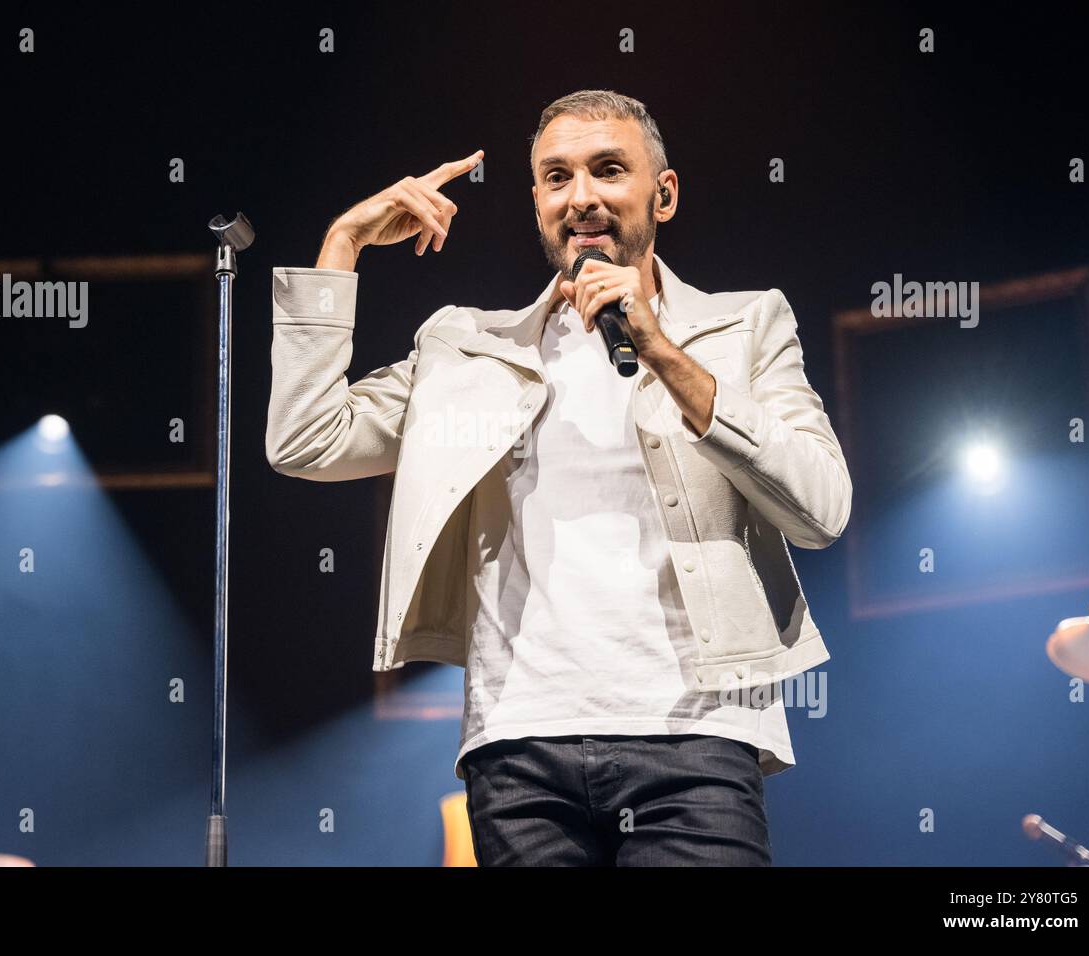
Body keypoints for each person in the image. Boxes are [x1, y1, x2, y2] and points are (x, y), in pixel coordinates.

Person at [267, 89, 852, 866]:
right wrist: (343, 244)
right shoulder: (469, 349)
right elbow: (306, 440)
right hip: (520, 749)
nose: (581, 197)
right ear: (537, 200)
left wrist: (661, 351)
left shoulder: (743, 326)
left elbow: (822, 507)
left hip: (698, 740)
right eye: (556, 177)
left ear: (664, 193)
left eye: (608, 170)